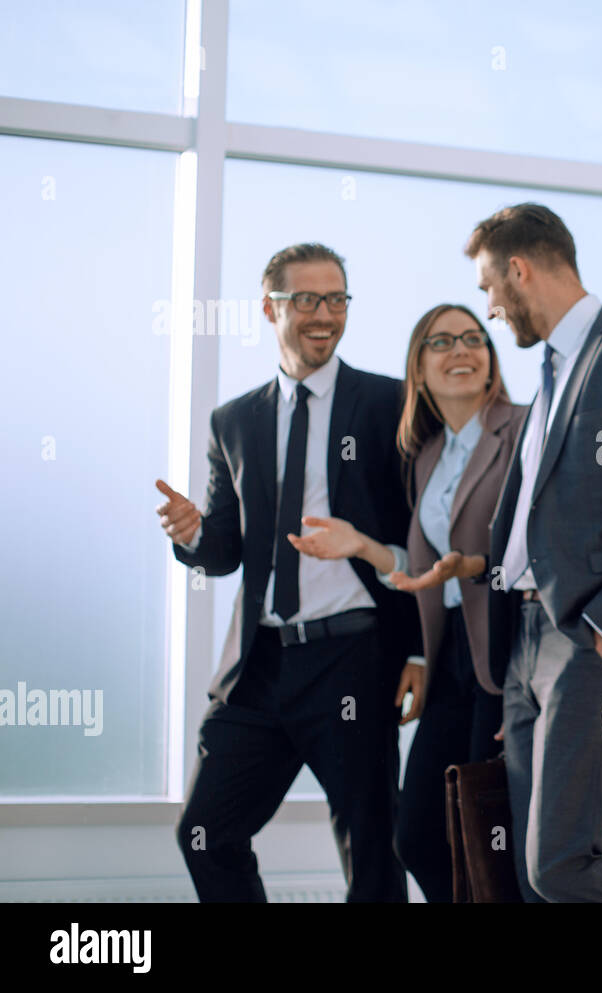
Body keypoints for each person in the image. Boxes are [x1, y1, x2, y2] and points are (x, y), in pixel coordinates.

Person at [155, 242, 422, 901]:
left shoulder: (391, 404)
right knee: (206, 832)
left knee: (373, 851)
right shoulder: (234, 421)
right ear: (270, 307)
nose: (324, 313)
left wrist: (417, 647)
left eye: (337, 299)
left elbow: (419, 529)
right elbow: (225, 549)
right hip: (260, 666)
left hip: (354, 656)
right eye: (306, 299)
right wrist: (193, 537)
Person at [467, 203, 602, 902]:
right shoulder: (549, 374)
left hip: (585, 640)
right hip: (527, 644)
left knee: (558, 863)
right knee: (538, 883)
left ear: (519, 268)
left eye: (488, 288)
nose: (491, 309)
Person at [286, 304, 525, 902]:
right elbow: (423, 573)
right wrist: (363, 546)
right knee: (418, 832)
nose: (461, 351)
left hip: (510, 651)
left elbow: (545, 545)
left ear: (492, 360)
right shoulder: (424, 455)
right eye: (441, 342)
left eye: (473, 339)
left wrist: (479, 567)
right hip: (449, 659)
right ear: (417, 369)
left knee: (495, 833)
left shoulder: (524, 429)